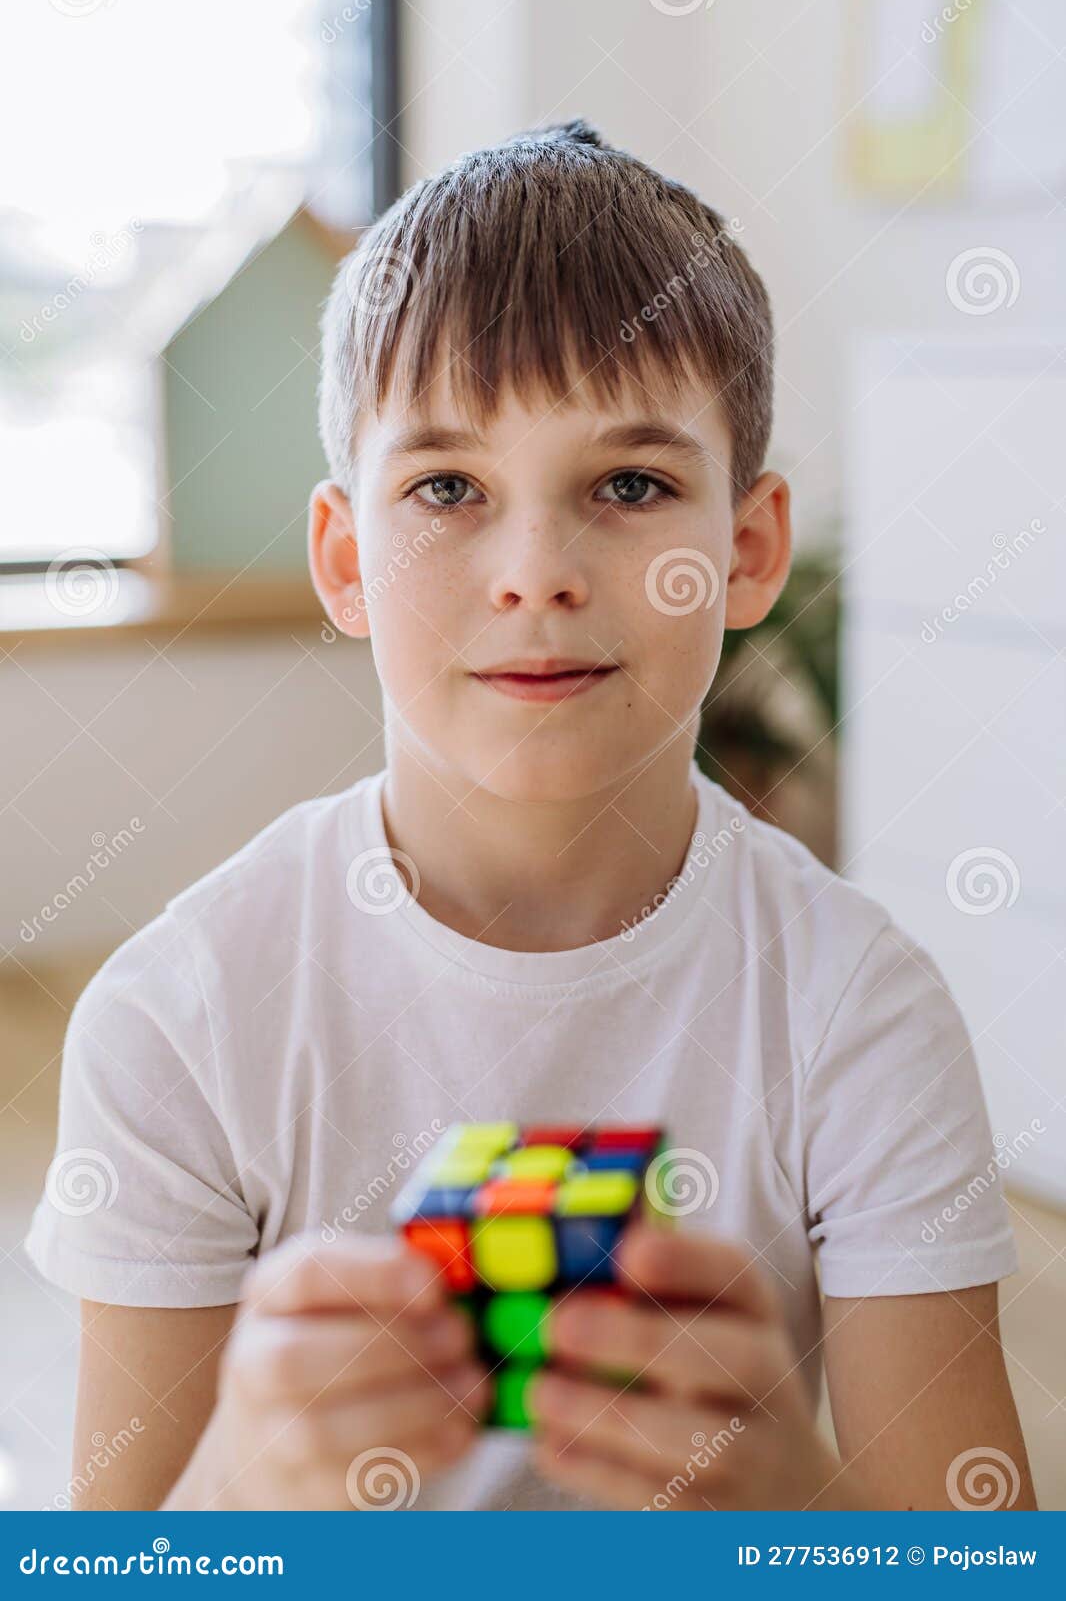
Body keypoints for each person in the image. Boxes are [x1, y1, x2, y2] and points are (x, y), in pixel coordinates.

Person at [25, 121, 1035, 1511]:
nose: (536, 572)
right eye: (447, 488)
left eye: (629, 486)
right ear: (343, 559)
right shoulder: (177, 1016)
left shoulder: (858, 1012)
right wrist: (251, 1478)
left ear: (743, 550)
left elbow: (965, 1556)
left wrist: (798, 1495)